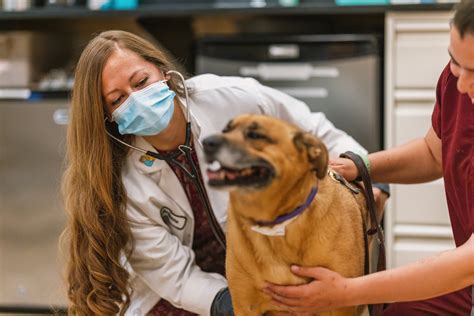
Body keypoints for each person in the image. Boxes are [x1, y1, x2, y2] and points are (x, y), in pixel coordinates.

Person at [61, 30, 389, 316]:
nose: (138, 100)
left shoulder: (230, 97)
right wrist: (237, 303)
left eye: (141, 82)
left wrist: (372, 180)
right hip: (196, 294)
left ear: (162, 71)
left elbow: (315, 132)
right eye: (118, 100)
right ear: (108, 117)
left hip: (276, 255)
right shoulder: (121, 181)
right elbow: (175, 276)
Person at [264, 0, 474, 314]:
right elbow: (434, 152)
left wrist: (345, 292)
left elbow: (466, 265)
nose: (460, 82)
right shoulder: (457, 83)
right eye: (454, 61)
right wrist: (363, 166)